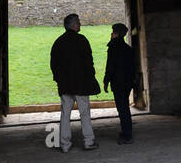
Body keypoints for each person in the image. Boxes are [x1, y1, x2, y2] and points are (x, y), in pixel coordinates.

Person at [49, 13, 100, 152]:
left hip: (65, 84)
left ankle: (65, 144)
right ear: (74, 25)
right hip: (81, 84)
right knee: (84, 113)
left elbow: (54, 64)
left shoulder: (58, 42)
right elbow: (89, 63)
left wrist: (58, 79)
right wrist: (91, 78)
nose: (80, 24)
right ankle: (88, 141)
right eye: (78, 22)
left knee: (65, 114)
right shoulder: (82, 40)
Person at [104, 22, 136, 145]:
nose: (111, 34)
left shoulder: (113, 48)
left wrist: (106, 80)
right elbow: (132, 67)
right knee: (124, 108)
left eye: (113, 32)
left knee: (122, 109)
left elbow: (110, 67)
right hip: (127, 82)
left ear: (116, 34)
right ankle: (126, 132)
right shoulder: (128, 49)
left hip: (118, 82)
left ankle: (127, 135)